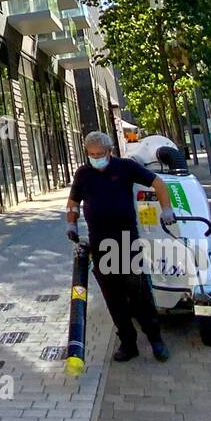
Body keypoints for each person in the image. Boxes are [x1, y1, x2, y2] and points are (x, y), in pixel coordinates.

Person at [65, 131, 172, 363]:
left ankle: (155, 339)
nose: (96, 158)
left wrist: (167, 210)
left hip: (126, 242)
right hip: (100, 244)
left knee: (139, 294)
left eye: (100, 154)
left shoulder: (125, 168)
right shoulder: (83, 174)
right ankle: (128, 343)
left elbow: (158, 183)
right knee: (113, 298)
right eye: (91, 154)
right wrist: (71, 224)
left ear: (109, 151)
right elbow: (73, 202)